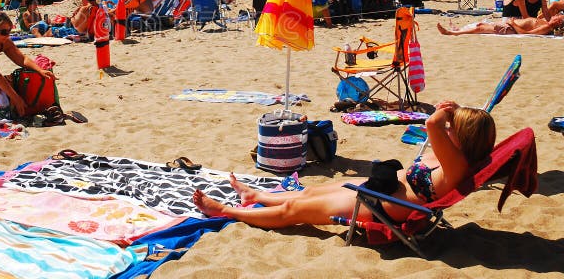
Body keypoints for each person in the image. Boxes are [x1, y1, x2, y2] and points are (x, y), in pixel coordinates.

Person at [193, 102, 496, 227]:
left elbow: (431, 123)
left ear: (463, 137)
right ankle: (255, 196)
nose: (446, 127)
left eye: (452, 126)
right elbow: (438, 128)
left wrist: (445, 113)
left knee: (295, 210)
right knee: (309, 192)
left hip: (386, 204)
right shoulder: (455, 155)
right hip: (385, 188)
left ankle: (226, 211)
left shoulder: (456, 164)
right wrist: (455, 113)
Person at [437, 14, 564, 36]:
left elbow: (526, 33)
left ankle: (452, 33)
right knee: (481, 24)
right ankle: (458, 30)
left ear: (558, 22)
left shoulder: (546, 27)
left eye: (558, 17)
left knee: (480, 28)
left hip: (510, 28)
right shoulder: (546, 22)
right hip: (509, 25)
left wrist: (513, 23)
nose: (555, 15)